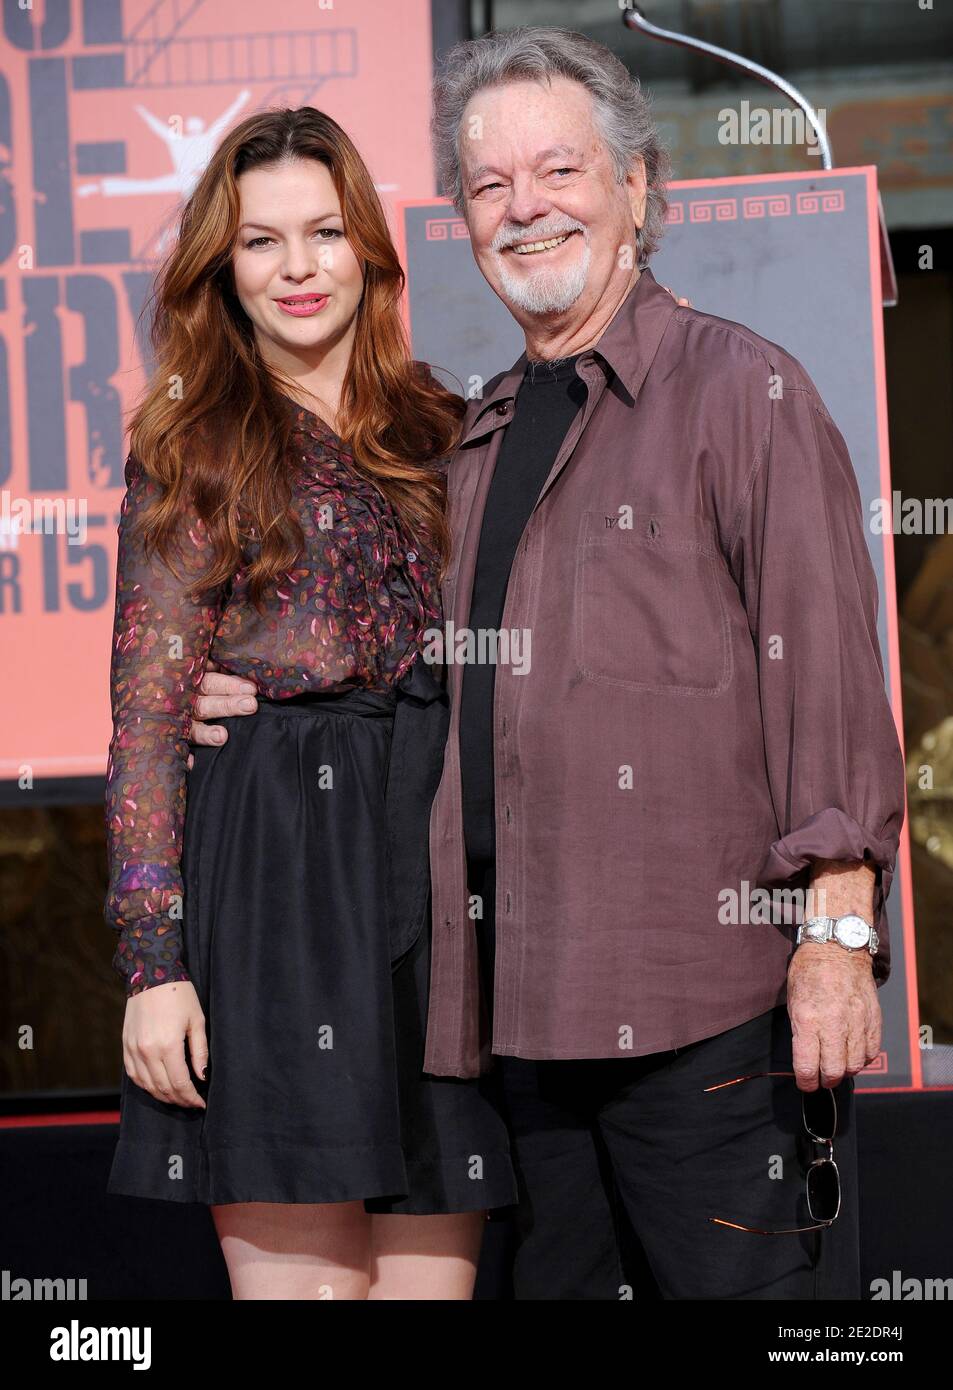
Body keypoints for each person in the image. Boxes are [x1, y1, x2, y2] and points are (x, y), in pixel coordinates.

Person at [190, 29, 907, 1299]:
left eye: (557, 169)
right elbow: (396, 671)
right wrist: (253, 681)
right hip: (512, 1042)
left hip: (709, 1028)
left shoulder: (744, 396)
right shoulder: (470, 439)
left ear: (635, 187)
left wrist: (836, 940)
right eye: (486, 185)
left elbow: (833, 696)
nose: (523, 207)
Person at [103, 105, 517, 1301]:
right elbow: (143, 727)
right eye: (259, 240)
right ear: (219, 270)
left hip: (432, 879)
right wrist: (154, 966)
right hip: (275, 876)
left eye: (324, 232)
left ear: (370, 250)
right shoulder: (195, 446)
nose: (296, 268)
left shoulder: (446, 427)